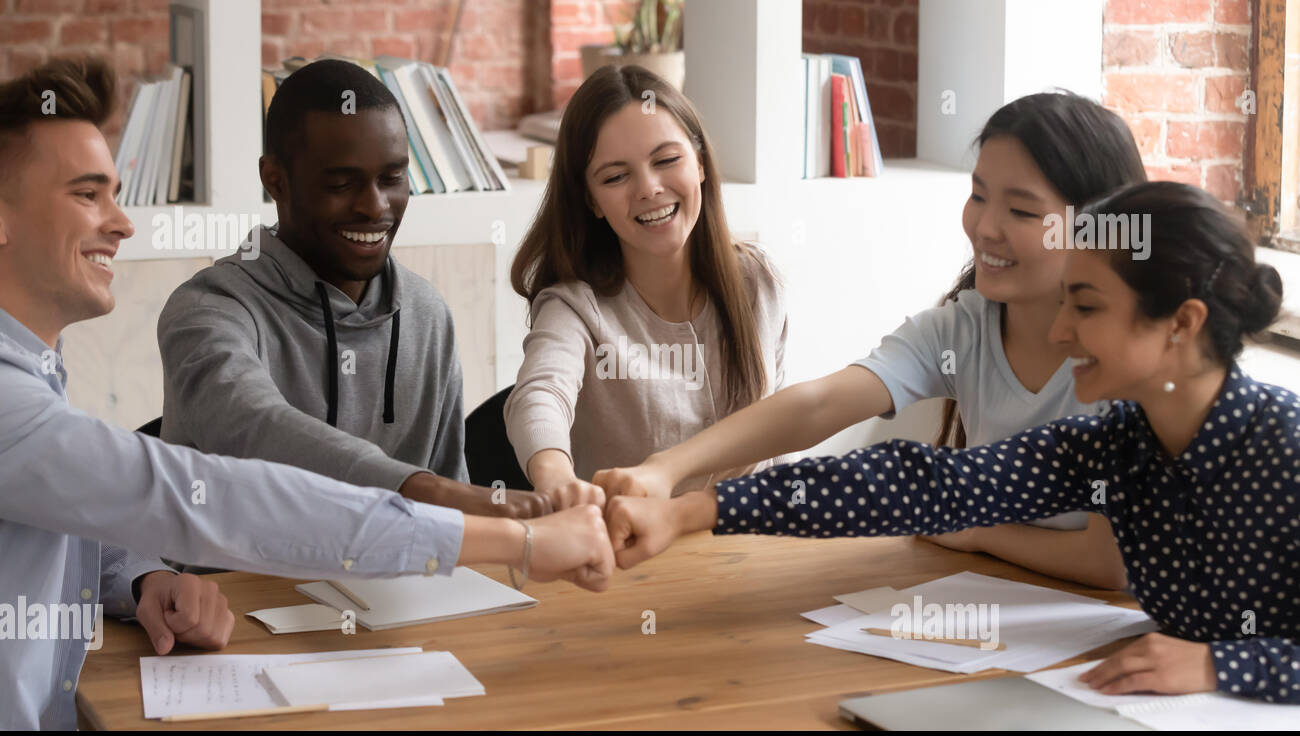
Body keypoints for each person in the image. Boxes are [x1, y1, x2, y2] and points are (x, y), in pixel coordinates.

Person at [0, 57, 613, 731]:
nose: (124, 223)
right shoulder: (30, 396)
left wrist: (145, 577)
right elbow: (221, 485)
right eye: (88, 195)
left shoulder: (37, 372)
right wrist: (502, 531)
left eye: (115, 193)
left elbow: (88, 514)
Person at [605, 181, 1297, 703]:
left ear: (1182, 322)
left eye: (1085, 307)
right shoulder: (1116, 446)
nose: (1059, 332)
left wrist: (1216, 665)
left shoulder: (1285, 449)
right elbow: (922, 485)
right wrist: (690, 510)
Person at [595, 92, 1149, 589]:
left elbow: (1110, 564)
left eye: (1022, 211)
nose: (985, 227)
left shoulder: (1129, 361)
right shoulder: (966, 328)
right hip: (991, 600)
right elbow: (820, 404)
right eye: (978, 196)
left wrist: (974, 529)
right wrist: (664, 470)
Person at [158, 59, 550, 534]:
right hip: (232, 596)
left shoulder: (425, 314)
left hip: (395, 592)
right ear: (275, 180)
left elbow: (453, 511)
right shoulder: (207, 311)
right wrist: (418, 489)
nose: (375, 207)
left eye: (392, 179)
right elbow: (254, 425)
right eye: (341, 184)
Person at [504, 65, 789, 510]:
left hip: (748, 547)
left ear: (699, 162)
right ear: (591, 200)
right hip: (631, 557)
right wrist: (555, 475)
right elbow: (540, 395)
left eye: (666, 160)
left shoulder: (759, 281)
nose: (649, 189)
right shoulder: (575, 307)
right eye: (616, 177)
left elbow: (782, 434)